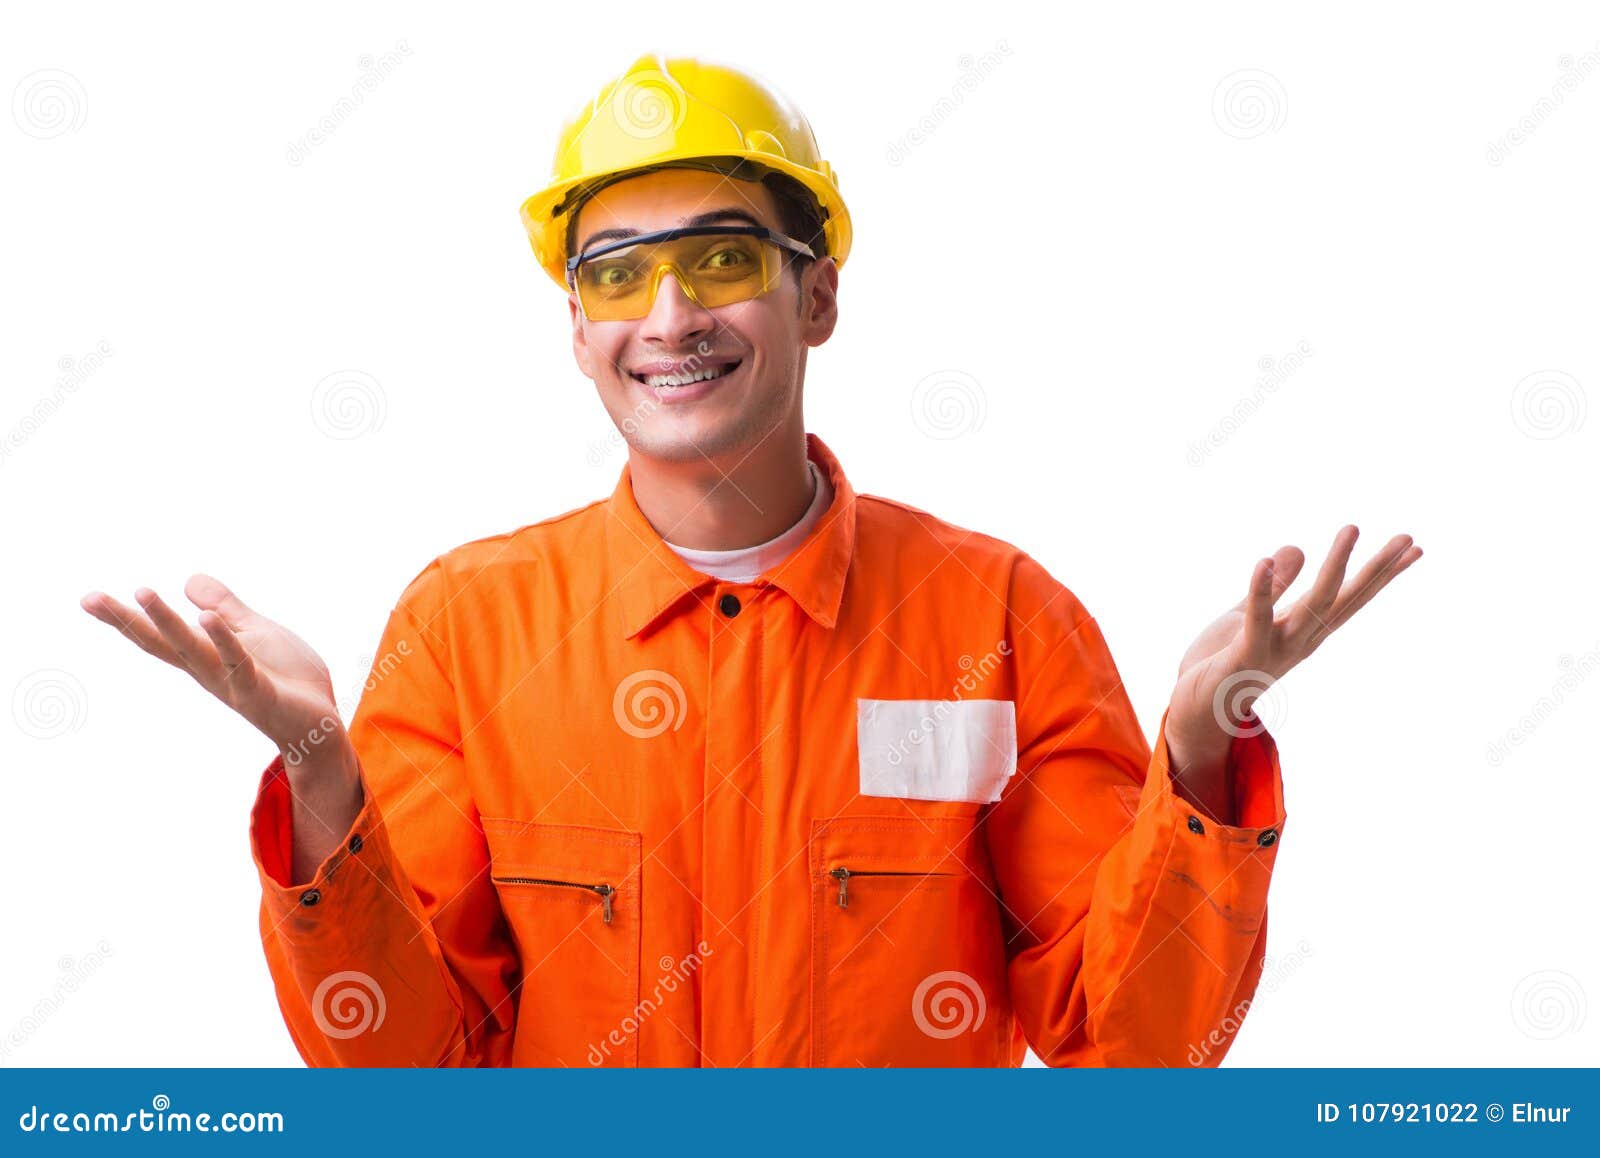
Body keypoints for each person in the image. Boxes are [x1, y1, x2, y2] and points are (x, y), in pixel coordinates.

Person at [80, 53, 1422, 1067]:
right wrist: (322, 775)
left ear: (817, 294)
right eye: (615, 275)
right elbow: (401, 1068)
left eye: (723, 258)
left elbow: (1138, 1049)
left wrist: (1197, 757)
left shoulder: (996, 617)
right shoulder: (466, 631)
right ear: (576, 325)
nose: (669, 316)